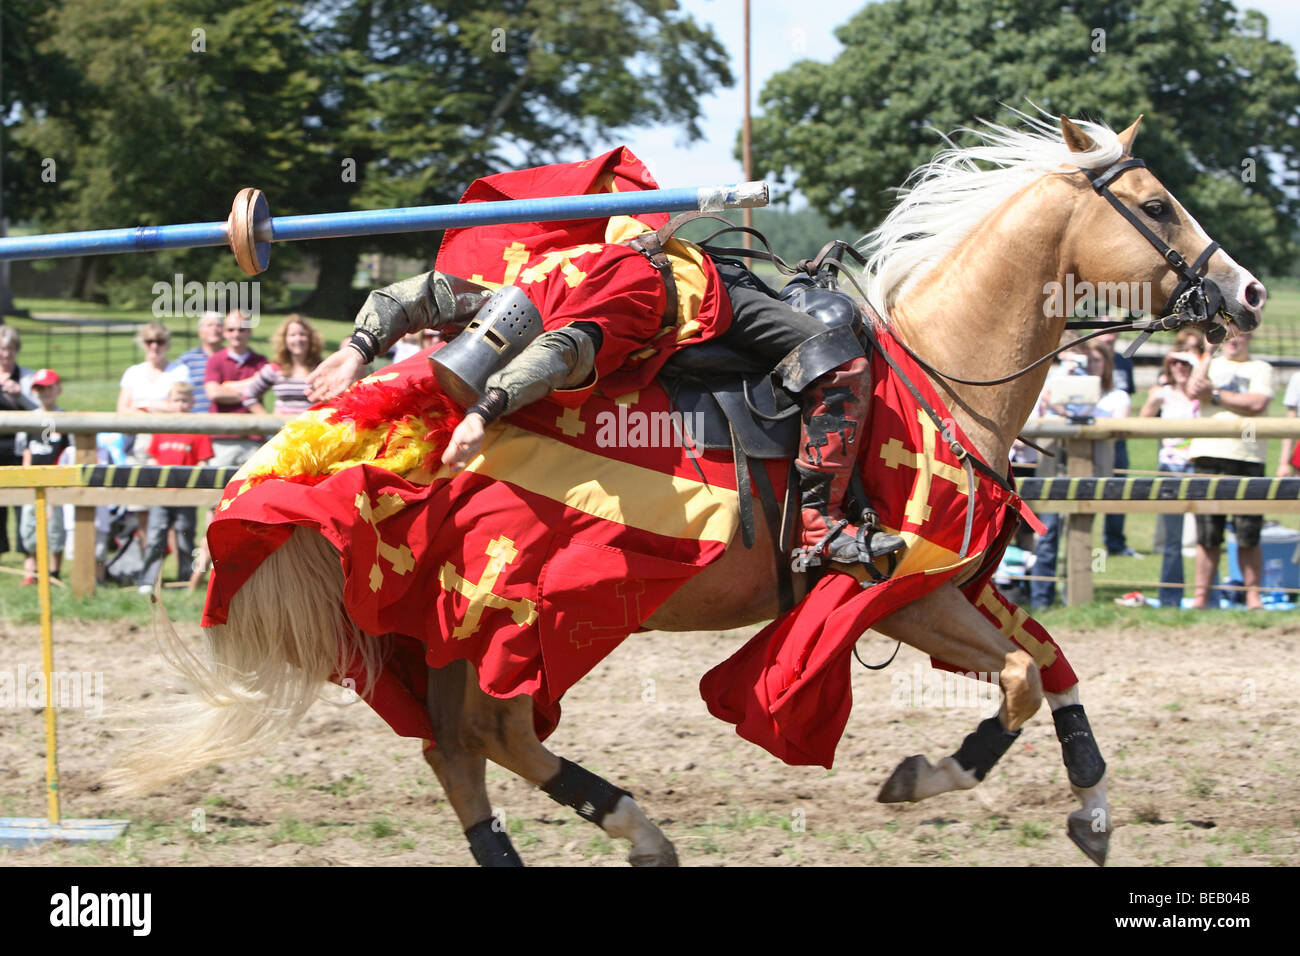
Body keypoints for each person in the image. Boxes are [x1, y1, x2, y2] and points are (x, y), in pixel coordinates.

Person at [308, 250, 906, 568]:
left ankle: (818, 525)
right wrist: (354, 350)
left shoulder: (602, 308)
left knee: (838, 363)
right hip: (648, 273)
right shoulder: (522, 282)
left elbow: (557, 355)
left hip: (708, 295)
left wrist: (481, 414)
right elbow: (421, 295)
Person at [1185, 332, 1274, 609]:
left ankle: (1253, 597)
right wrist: (1207, 353)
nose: (1234, 340)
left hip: (1248, 456)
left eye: (1240, 334)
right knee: (1207, 534)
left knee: (1249, 533)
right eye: (1228, 335)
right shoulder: (1209, 362)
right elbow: (1192, 390)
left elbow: (1256, 404)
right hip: (1208, 454)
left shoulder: (1260, 368)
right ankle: (1201, 599)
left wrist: (1213, 395)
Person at [1140, 347, 1203, 607]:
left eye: (1185, 363)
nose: (1179, 368)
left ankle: (1208, 594)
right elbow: (1141, 421)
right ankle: (1171, 596)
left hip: (1201, 465)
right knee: (1173, 537)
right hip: (1172, 466)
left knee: (1208, 536)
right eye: (1174, 363)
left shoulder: (1204, 396)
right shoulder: (1163, 394)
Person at [136, 381, 213, 594]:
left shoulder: (198, 430)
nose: (180, 405)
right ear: (169, 402)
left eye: (185, 400)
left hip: (186, 495)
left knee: (184, 536)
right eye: (177, 400)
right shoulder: (163, 428)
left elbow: (203, 461)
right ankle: (148, 579)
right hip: (163, 494)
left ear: (192, 402)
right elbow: (152, 457)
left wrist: (197, 481)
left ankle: (184, 579)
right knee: (155, 536)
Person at [16, 369, 70, 584]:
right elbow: (25, 451)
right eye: (39, 388)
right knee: (29, 526)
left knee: (55, 528)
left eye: (49, 387)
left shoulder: (67, 419)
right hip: (32, 482)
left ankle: (53, 573)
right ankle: (31, 571)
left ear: (58, 389)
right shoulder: (29, 419)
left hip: (56, 483)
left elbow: (69, 451)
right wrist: (26, 478)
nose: (44, 392)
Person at [204, 309, 269, 467]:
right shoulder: (215, 360)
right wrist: (249, 391)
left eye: (242, 329)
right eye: (231, 329)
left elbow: (263, 387)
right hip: (222, 438)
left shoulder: (260, 361)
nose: (236, 334)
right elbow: (213, 393)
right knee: (217, 486)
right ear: (224, 333)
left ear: (249, 332)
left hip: (254, 437)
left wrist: (227, 386)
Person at [1094, 331, 1137, 557]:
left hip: (1112, 448)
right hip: (1082, 452)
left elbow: (1127, 395)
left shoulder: (1123, 362)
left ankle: (1115, 542)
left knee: (1116, 494)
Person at [0, 326, 37, 555]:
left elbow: (39, 410)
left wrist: (19, 395)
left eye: (10, 349)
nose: (5, 354)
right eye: (2, 349)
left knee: (23, 500)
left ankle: (27, 551)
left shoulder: (27, 377)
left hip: (20, 447)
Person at [242, 315, 324, 415]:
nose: (298, 339)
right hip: (283, 428)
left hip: (313, 428)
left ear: (311, 338)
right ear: (284, 340)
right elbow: (248, 395)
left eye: (302, 334)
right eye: (292, 335)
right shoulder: (274, 369)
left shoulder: (321, 369)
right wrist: (267, 420)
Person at [172, 311, 224, 414]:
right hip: (194, 421)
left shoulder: (231, 358)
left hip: (227, 419)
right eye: (209, 325)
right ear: (200, 333)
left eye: (218, 325)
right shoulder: (186, 360)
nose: (214, 328)